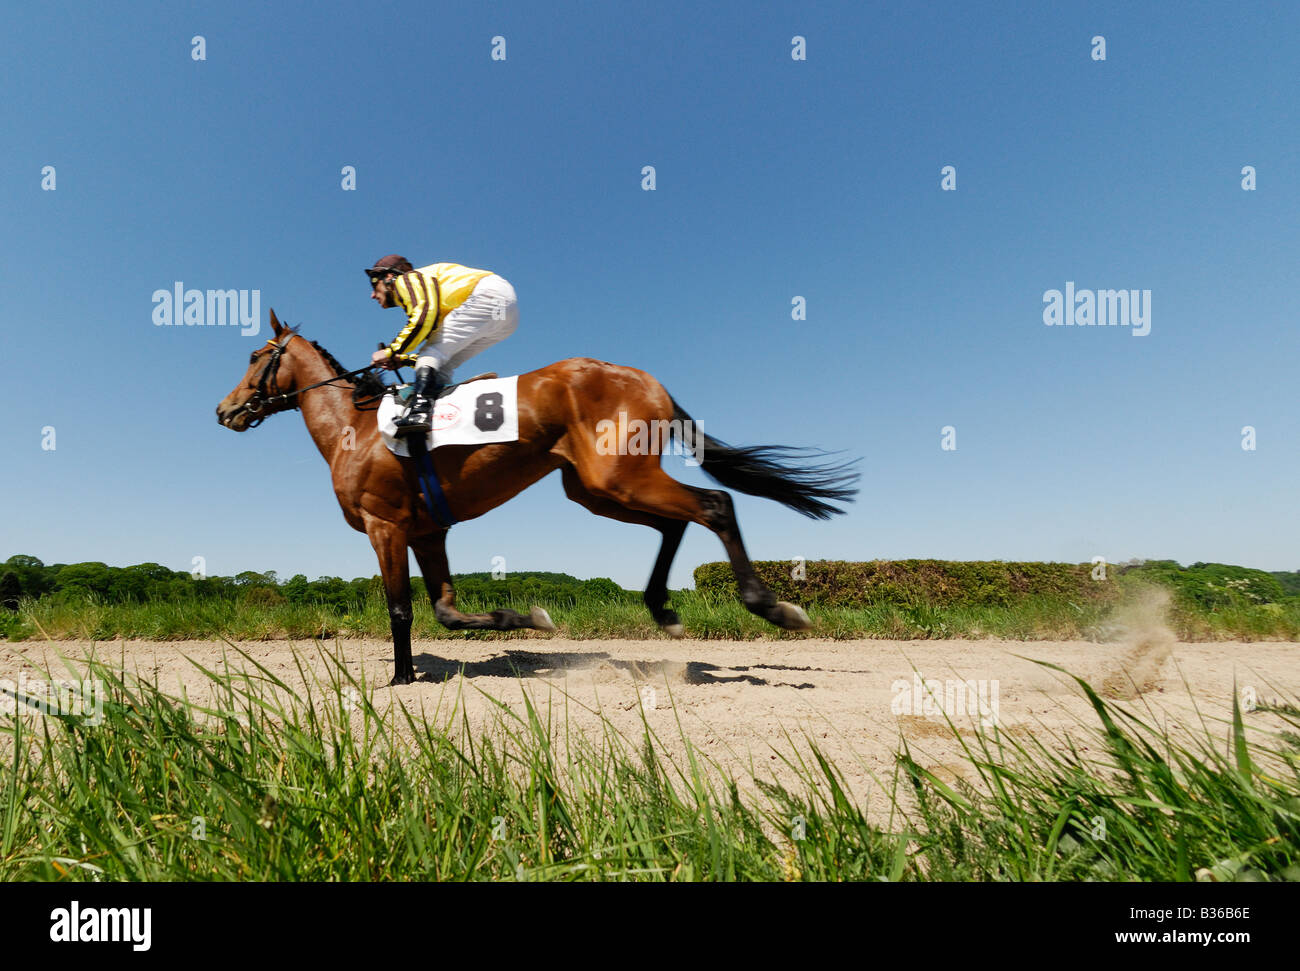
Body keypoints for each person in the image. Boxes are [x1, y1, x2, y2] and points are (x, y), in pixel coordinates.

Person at [365, 254, 519, 435]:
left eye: (374, 285)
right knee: (442, 364)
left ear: (389, 277)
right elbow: (436, 352)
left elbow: (423, 318)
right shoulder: (432, 294)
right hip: (504, 313)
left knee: (432, 352)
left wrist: (391, 351)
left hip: (490, 296)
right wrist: (404, 360)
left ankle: (420, 412)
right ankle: (446, 419)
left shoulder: (405, 280)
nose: (372, 294)